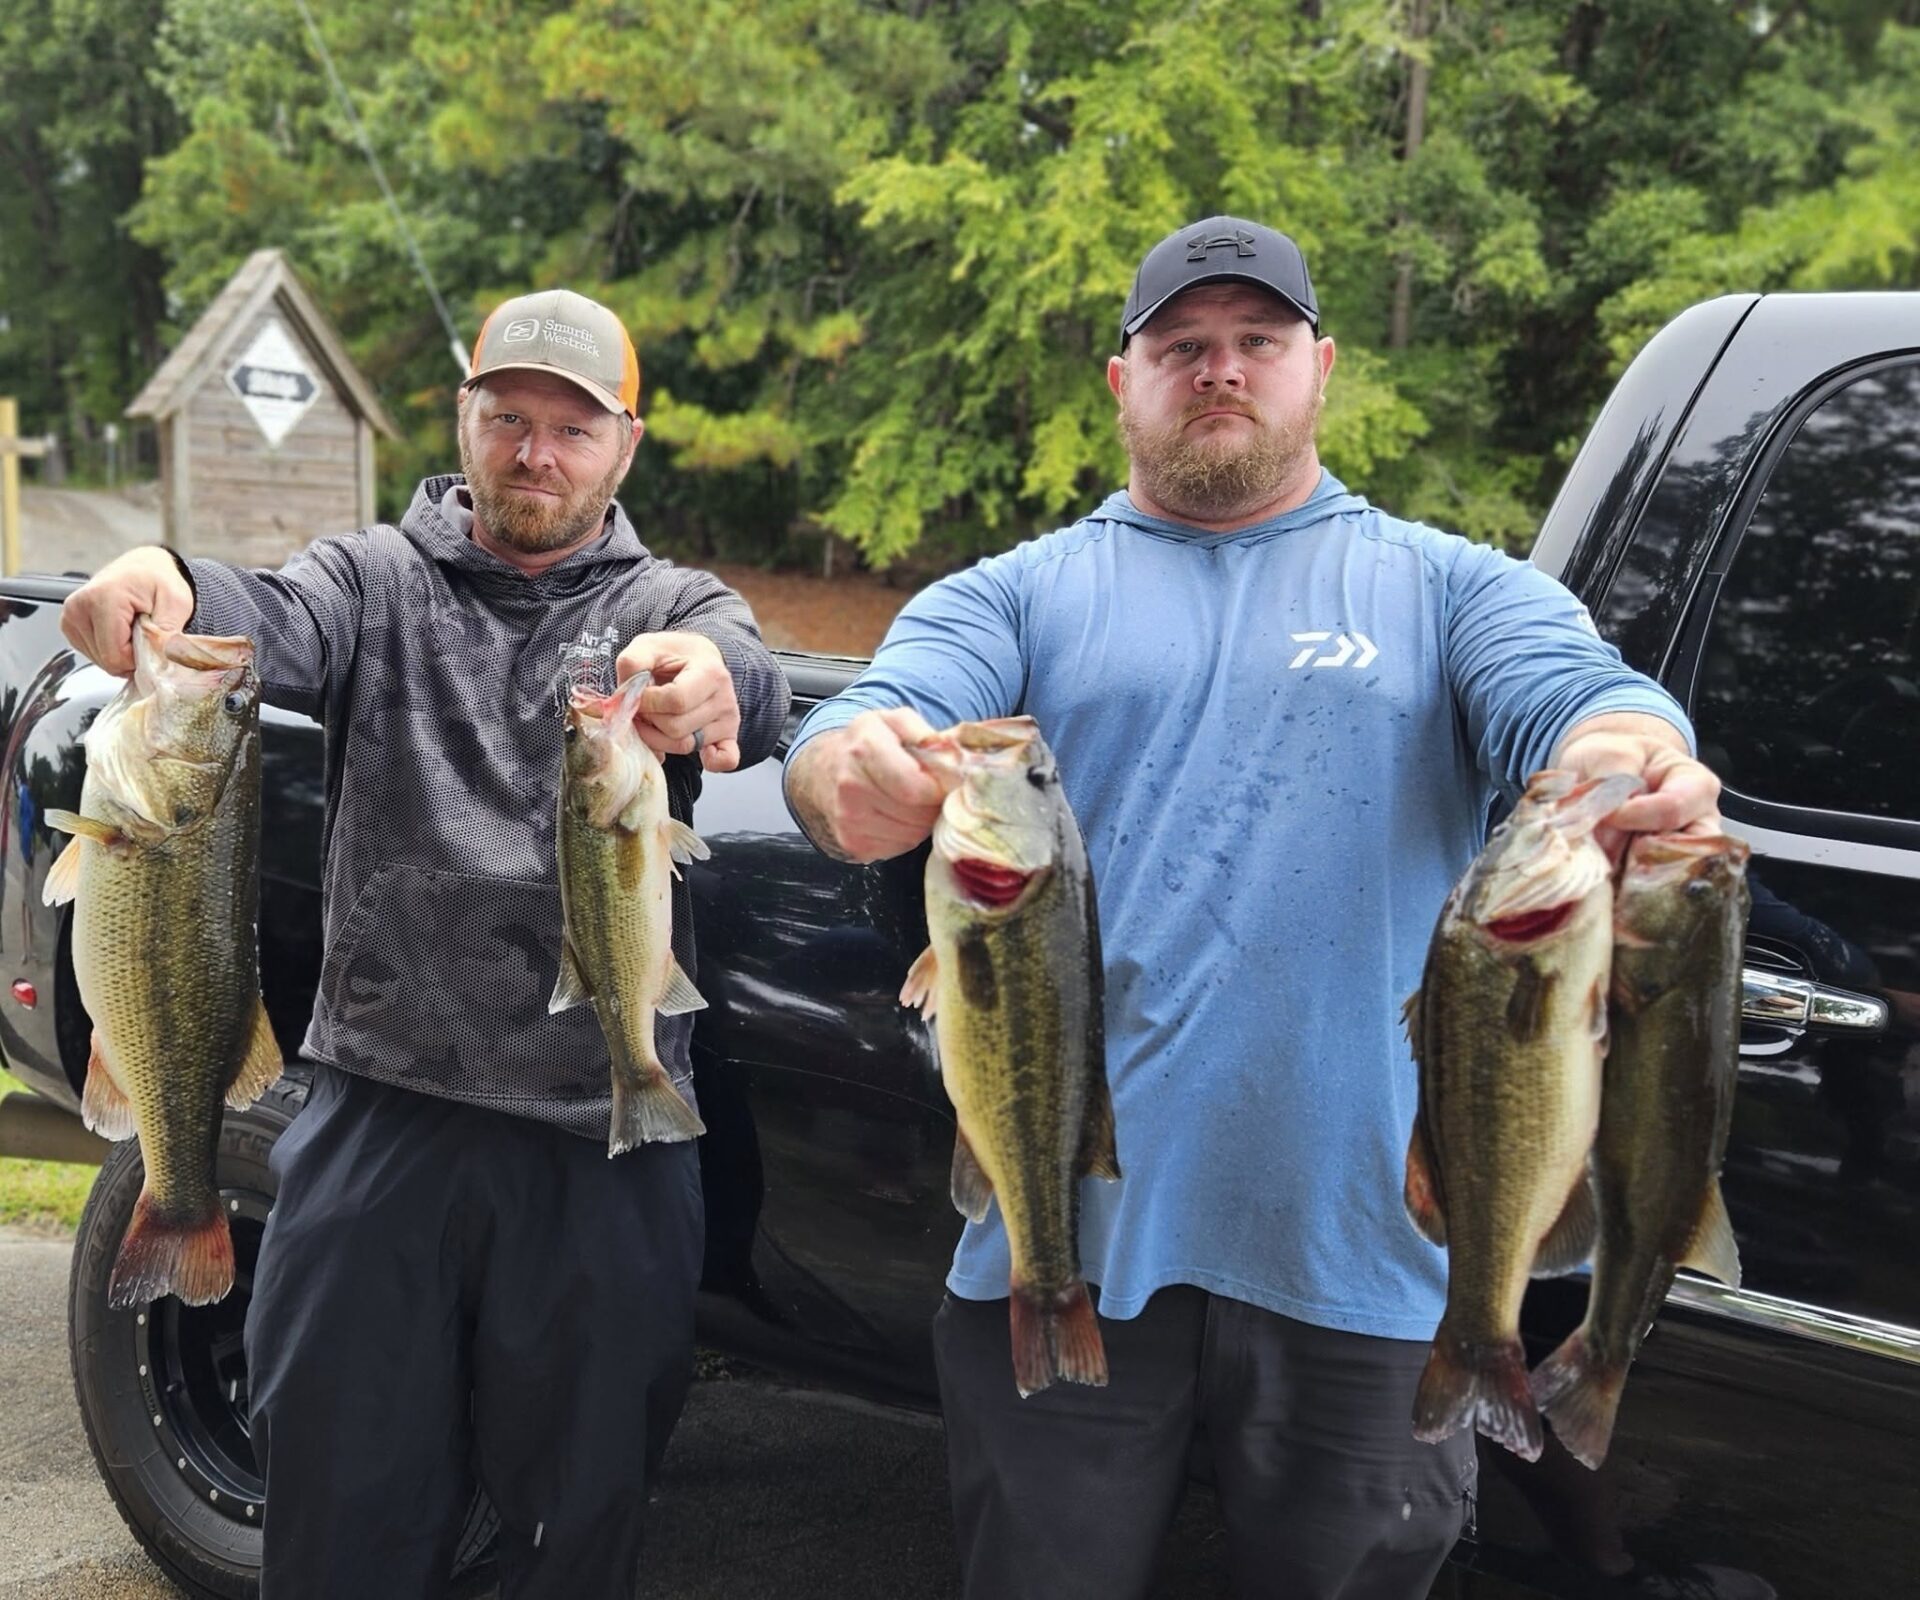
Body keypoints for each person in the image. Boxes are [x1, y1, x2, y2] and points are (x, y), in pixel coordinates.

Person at [782, 217, 1722, 1600]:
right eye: (1182, 346)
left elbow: (1585, 698)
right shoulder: (1017, 592)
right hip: (1071, 1253)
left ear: (1320, 368)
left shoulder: (1450, 585)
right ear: (1124, 382)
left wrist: (1628, 757)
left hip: (1369, 1269)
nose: (1220, 371)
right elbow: (871, 716)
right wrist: (840, 772)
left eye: (1257, 344)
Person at [60, 288, 791, 1599]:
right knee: (342, 1518)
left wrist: (717, 674)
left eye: (573, 429)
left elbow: (738, 663)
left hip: (603, 1151)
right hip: (379, 1123)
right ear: (466, 420)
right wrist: (165, 584)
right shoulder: (372, 581)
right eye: (508, 418)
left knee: (577, 1530)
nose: (535, 454)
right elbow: (261, 619)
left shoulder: (669, 602)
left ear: (627, 445)